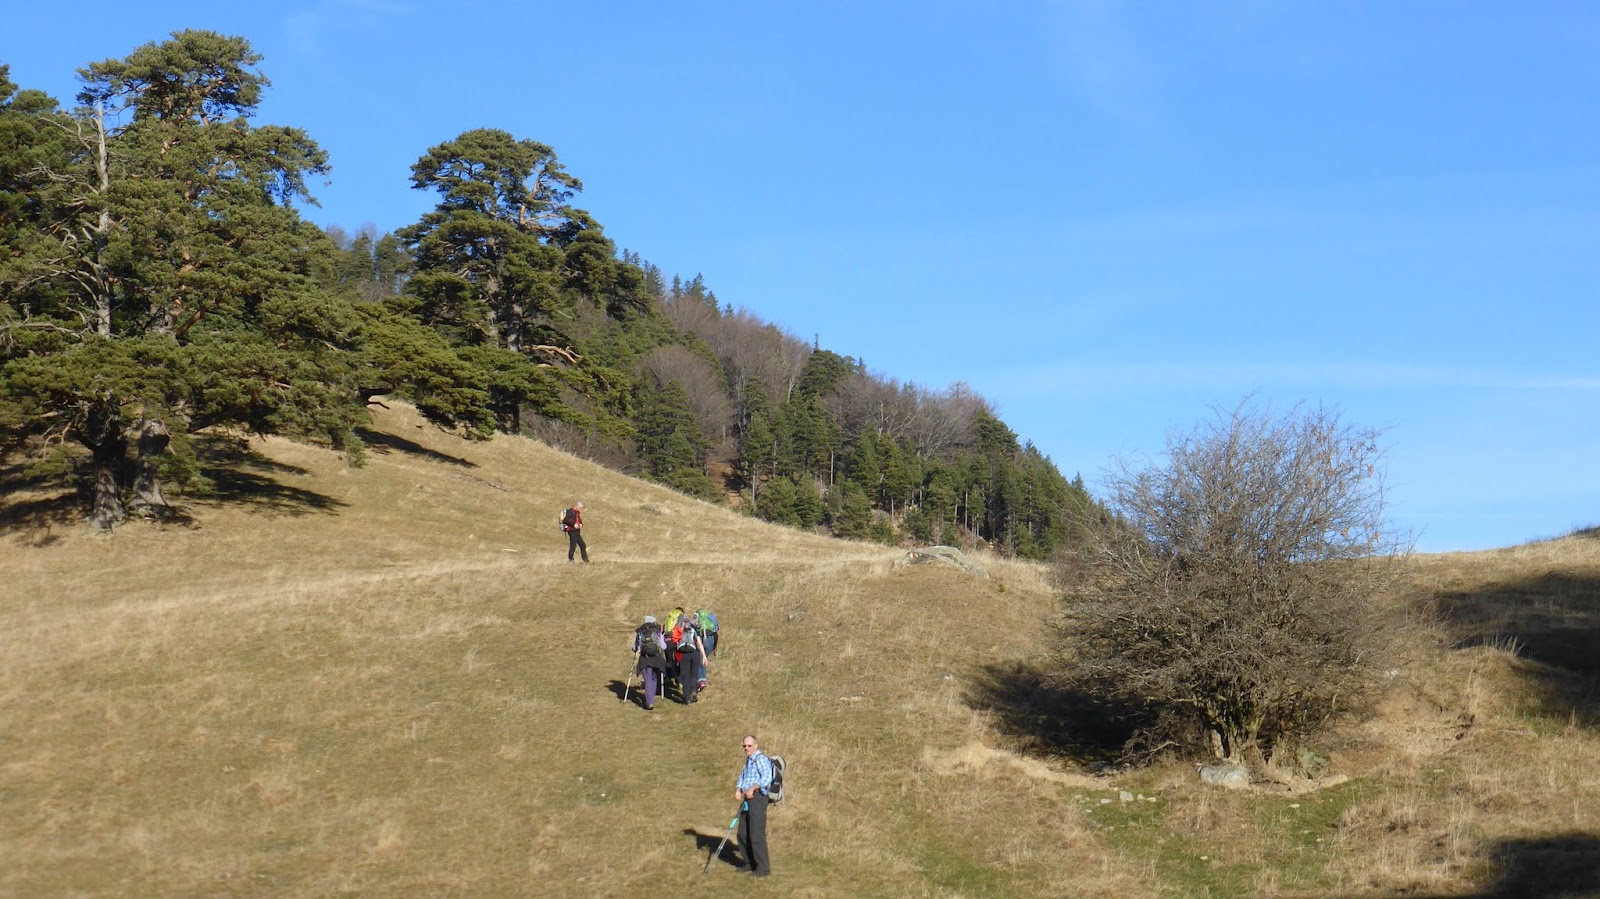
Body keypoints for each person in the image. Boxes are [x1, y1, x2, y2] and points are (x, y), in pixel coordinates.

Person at [734, 734, 774, 878]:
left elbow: (767, 778)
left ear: (755, 746)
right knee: (742, 834)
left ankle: (763, 869)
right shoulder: (748, 761)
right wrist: (738, 789)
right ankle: (749, 863)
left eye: (749, 746)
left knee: (756, 834)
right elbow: (742, 777)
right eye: (744, 746)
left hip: (758, 799)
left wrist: (753, 788)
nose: (746, 748)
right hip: (746, 799)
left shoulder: (761, 759)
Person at [631, 615, 668, 710]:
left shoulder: (640, 632)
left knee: (647, 679)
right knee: (654, 678)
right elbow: (664, 647)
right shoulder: (657, 631)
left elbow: (634, 648)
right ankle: (651, 698)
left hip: (644, 658)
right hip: (656, 658)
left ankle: (650, 701)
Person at [670, 612, 707, 704]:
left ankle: (687, 697)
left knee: (685, 675)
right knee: (694, 674)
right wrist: (704, 656)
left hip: (683, 655)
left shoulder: (678, 630)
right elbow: (699, 643)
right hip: (695, 653)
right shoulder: (692, 629)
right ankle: (694, 692)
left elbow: (674, 643)